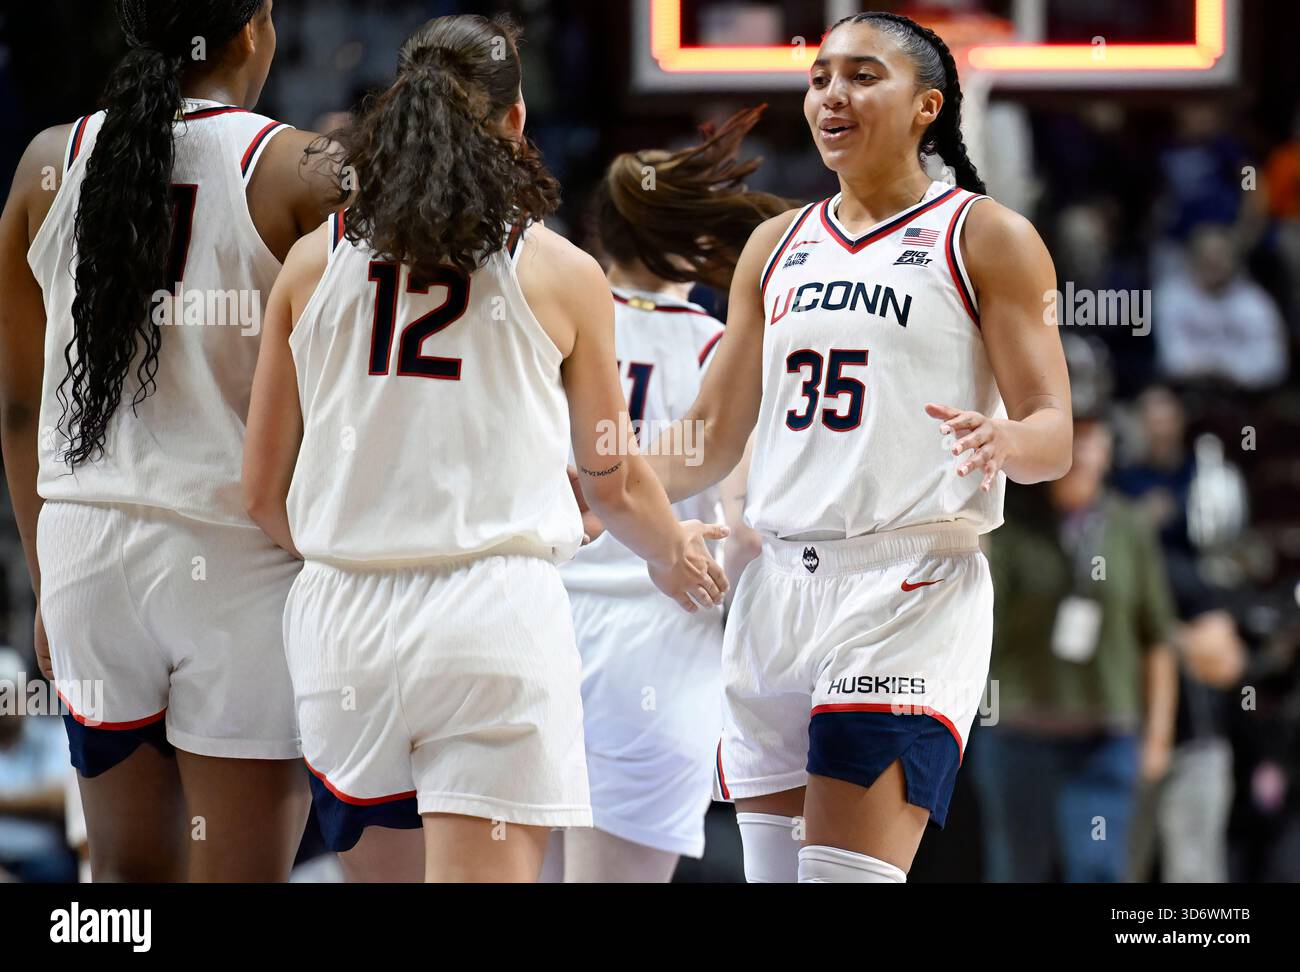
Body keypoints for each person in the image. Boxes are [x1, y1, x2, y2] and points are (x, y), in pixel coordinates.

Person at [241, 14, 729, 884]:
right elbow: (610, 480)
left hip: (343, 624)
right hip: (491, 618)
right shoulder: (560, 270)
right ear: (515, 121)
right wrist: (674, 550)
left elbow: (261, 495)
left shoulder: (312, 265)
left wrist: (354, 547)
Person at [596, 10, 1073, 883]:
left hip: (904, 586)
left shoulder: (985, 237)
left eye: (861, 75)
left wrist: (1007, 437)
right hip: (777, 589)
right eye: (819, 78)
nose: (830, 95)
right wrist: (603, 476)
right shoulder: (777, 247)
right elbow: (708, 438)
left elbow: (1055, 438)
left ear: (929, 105)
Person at [0, 0, 342, 881]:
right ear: (255, 29)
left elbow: (15, 407)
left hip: (84, 549)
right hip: (236, 553)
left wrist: (46, 578)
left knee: (122, 877)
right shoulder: (302, 170)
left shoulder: (49, 160)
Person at [545, 108, 789, 883]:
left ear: (599, 236)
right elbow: (746, 534)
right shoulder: (721, 353)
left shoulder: (545, 324)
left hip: (531, 626)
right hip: (656, 645)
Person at [970, 415, 1179, 883]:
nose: (1083, 450)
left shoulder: (1129, 526)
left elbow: (1157, 638)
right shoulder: (1007, 519)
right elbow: (980, 605)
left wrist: (1159, 737)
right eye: (1073, 437)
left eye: (1093, 437)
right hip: (1018, 733)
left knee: (1099, 871)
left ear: (1109, 447)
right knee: (1015, 871)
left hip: (1104, 738)